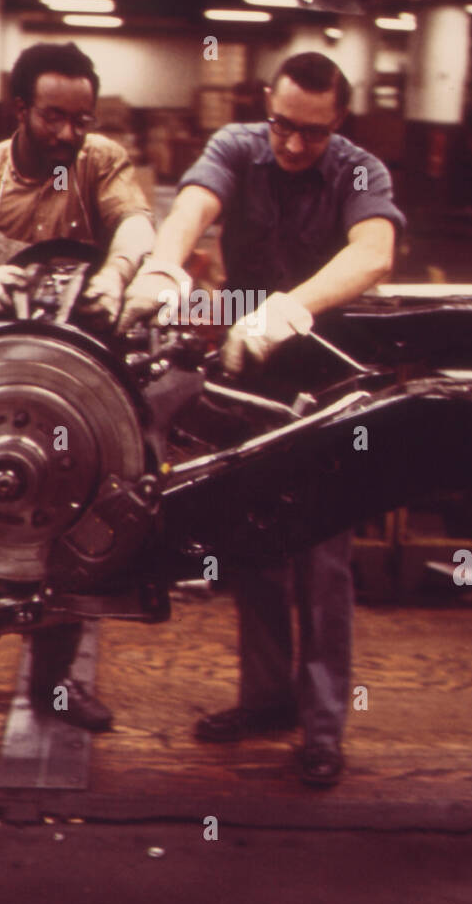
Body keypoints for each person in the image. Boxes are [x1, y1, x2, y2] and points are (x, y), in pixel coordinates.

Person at [119, 52, 406, 786]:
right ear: (265, 106)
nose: (294, 143)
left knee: (321, 557)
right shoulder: (238, 146)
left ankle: (321, 727)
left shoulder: (359, 169)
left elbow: (374, 253)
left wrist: (294, 307)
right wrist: (163, 265)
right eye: (283, 124)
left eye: (313, 132)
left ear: (338, 121)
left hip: (328, 375)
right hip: (248, 371)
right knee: (249, 541)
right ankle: (268, 698)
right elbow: (191, 208)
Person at [0, 42, 155, 730]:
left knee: (73, 529)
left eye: (82, 118)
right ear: (21, 109)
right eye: (54, 117)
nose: (70, 133)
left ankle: (54, 686)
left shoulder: (100, 162)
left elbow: (135, 222)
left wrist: (116, 273)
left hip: (73, 379)